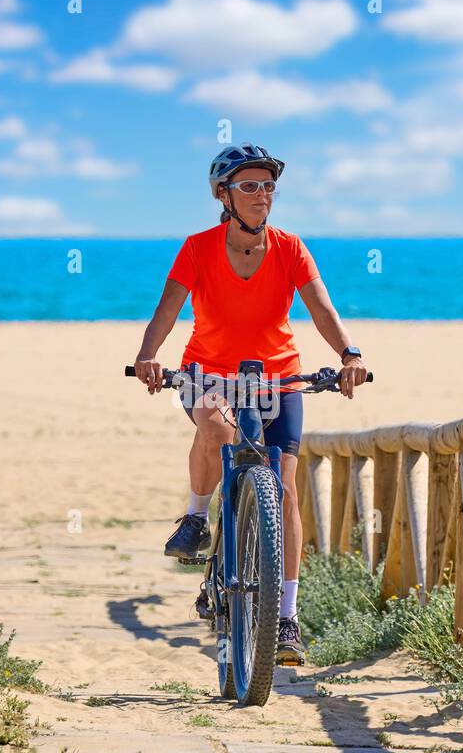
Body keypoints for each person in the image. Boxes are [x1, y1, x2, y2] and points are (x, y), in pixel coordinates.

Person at [132, 142, 368, 666]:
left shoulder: (290, 247)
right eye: (249, 186)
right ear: (224, 195)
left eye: (268, 186)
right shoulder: (197, 247)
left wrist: (349, 354)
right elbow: (167, 310)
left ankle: (285, 618)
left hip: (277, 376)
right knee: (214, 427)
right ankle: (195, 517)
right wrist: (149, 356)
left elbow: (322, 308)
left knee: (283, 489)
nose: (262, 195)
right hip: (207, 371)